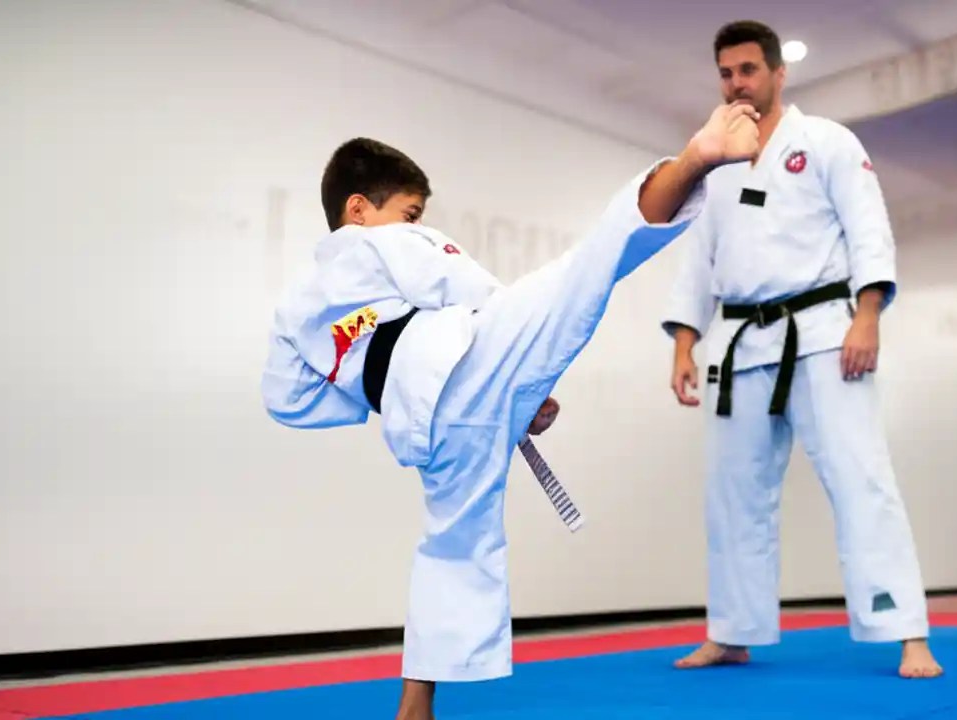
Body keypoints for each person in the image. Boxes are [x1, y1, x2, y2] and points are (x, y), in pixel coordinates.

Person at [260, 102, 761, 719]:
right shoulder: (391, 242)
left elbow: (285, 399)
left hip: (427, 425)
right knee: (592, 263)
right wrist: (515, 368)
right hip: (470, 362)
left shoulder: (296, 307)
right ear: (358, 209)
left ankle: (415, 706)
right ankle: (698, 157)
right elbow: (469, 293)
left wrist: (373, 386)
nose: (416, 222)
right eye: (409, 211)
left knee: (450, 548)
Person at [661, 20, 943, 680]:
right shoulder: (714, 162)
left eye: (749, 70)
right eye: (727, 73)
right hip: (737, 345)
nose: (737, 84)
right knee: (732, 495)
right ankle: (732, 632)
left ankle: (906, 629)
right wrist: (683, 342)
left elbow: (868, 228)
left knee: (859, 476)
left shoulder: (825, 142)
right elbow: (697, 263)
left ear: (778, 73)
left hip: (822, 334)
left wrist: (867, 315)